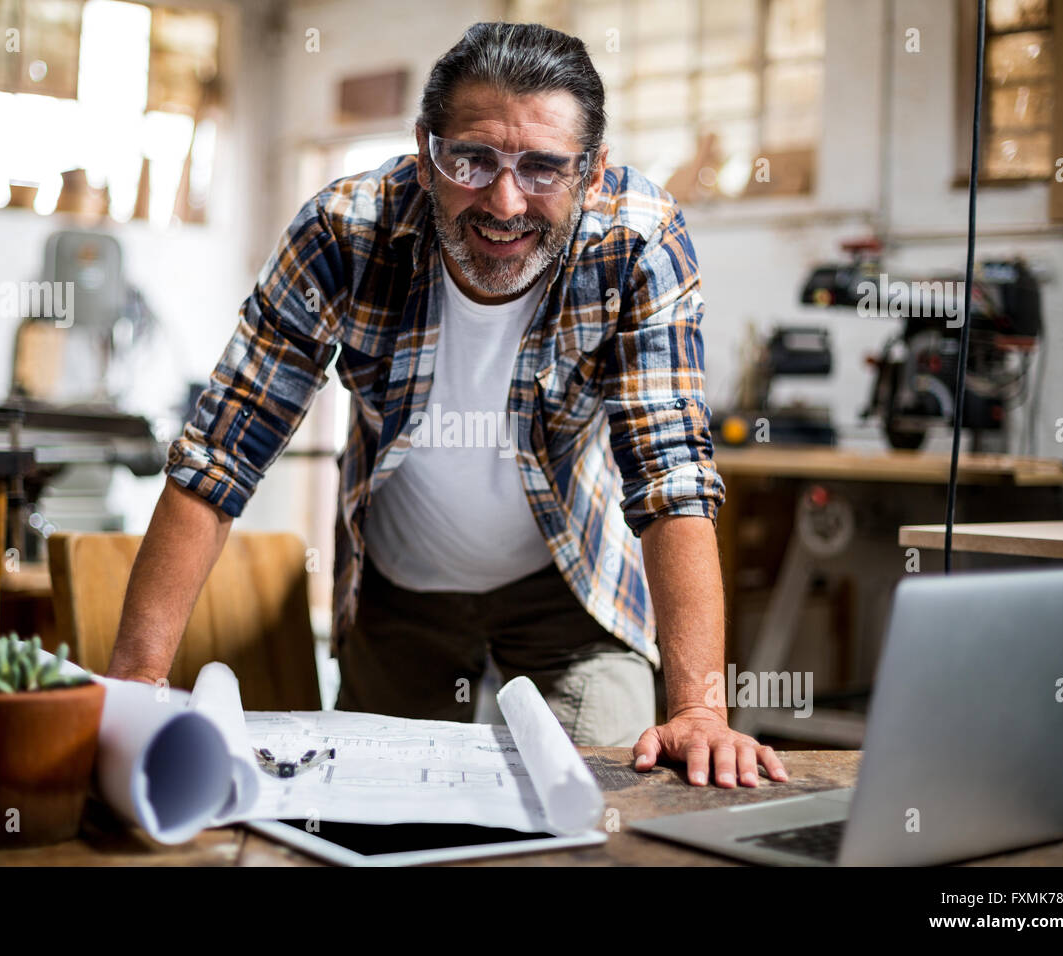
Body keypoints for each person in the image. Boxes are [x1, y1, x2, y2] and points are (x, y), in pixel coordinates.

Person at [110, 21, 787, 788]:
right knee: (376, 815)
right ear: (426, 150)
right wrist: (138, 681)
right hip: (400, 589)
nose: (504, 201)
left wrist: (700, 711)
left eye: (542, 168)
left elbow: (671, 477)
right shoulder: (344, 233)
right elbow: (221, 455)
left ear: (593, 174)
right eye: (472, 159)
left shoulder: (637, 242)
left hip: (570, 587)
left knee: (610, 806)